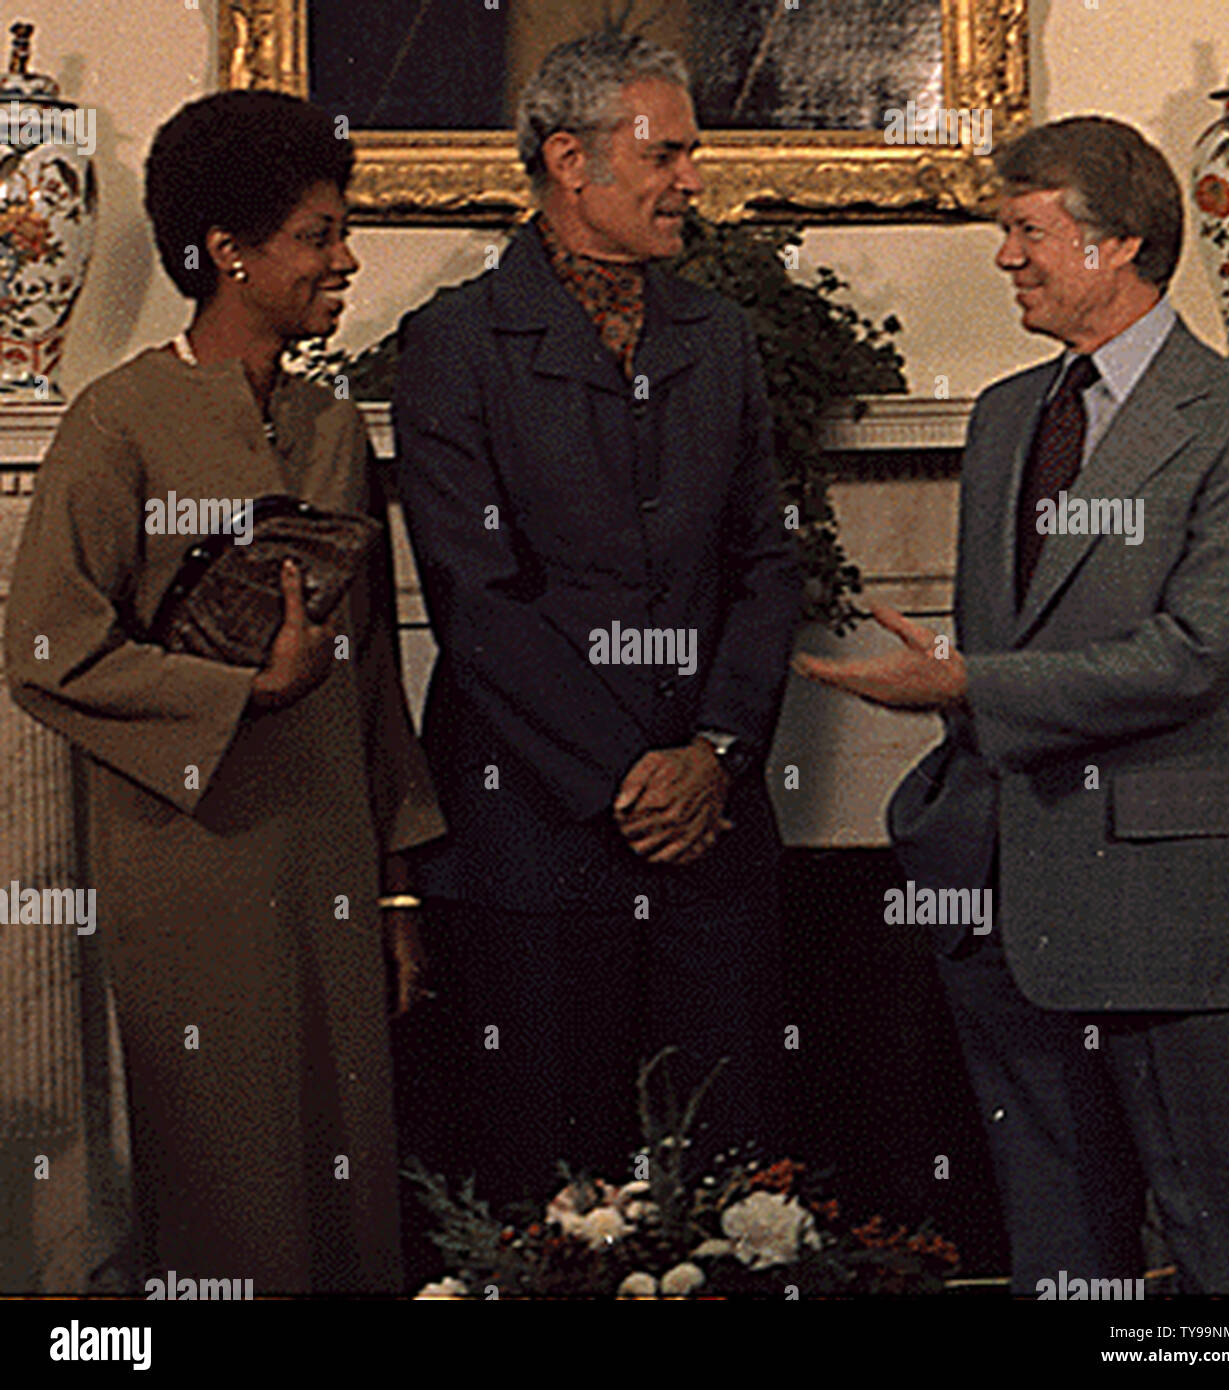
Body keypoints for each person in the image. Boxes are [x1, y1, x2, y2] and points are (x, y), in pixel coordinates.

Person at [796, 116, 1229, 1295]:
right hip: (1000, 891)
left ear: (1118, 243)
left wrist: (968, 682)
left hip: (1169, 905)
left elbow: (1198, 654)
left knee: (1222, 1246)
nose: (1003, 256)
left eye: (1025, 230)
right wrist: (957, 697)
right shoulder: (1008, 412)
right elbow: (1019, 634)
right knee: (1058, 1258)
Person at [4, 90, 445, 1294]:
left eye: (342, 232)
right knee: (228, 1185)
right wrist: (240, 689)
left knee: (349, 1177)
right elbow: (45, 649)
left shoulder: (332, 426)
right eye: (317, 235)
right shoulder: (116, 424)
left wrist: (396, 888)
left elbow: (372, 678)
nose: (344, 260)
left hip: (331, 858)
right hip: (192, 864)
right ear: (228, 253)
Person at [393, 31, 799, 1206]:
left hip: (712, 834)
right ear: (570, 161)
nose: (690, 179)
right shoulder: (454, 343)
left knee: (732, 1191)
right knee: (551, 1196)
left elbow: (765, 565)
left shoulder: (716, 336)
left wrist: (713, 756)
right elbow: (476, 601)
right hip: (535, 839)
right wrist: (631, 780)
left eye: (689, 154)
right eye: (665, 153)